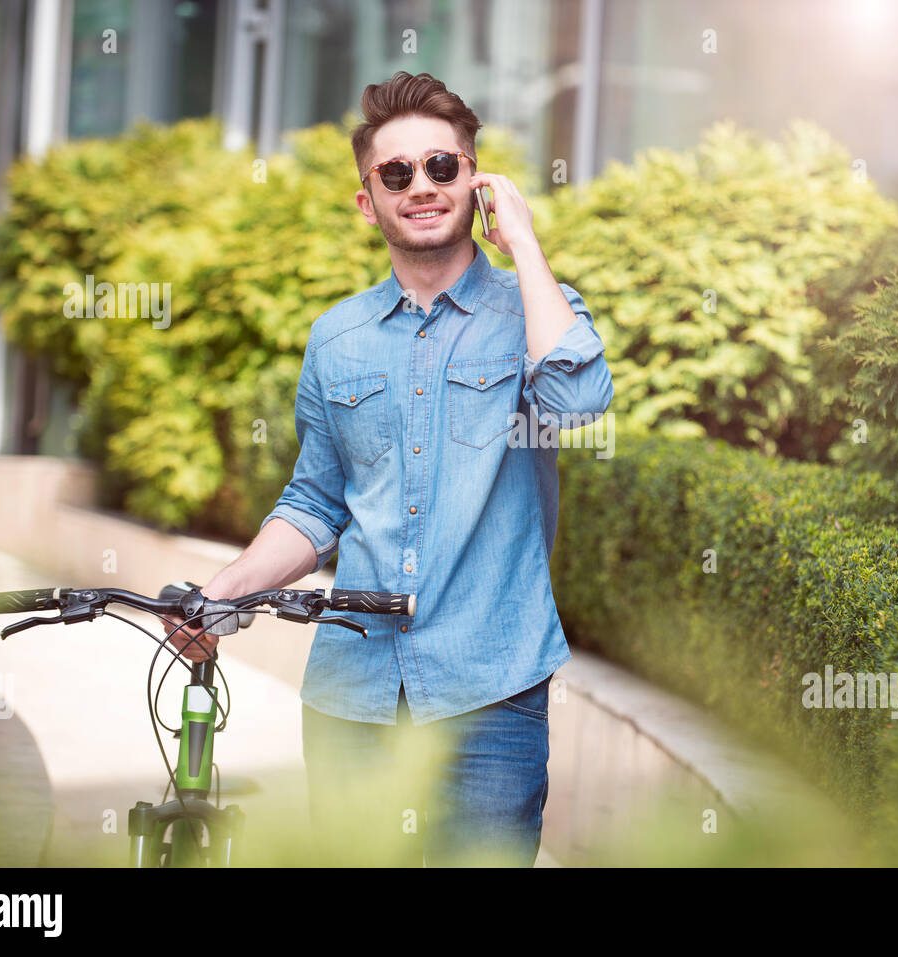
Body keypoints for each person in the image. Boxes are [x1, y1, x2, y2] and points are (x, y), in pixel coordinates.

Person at [163, 70, 613, 866]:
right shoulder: (336, 337)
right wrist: (228, 584)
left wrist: (528, 243)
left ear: (475, 182)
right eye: (396, 172)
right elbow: (315, 502)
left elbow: (576, 407)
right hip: (352, 696)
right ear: (368, 201)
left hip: (490, 693)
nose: (423, 186)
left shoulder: (536, 309)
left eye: (444, 166)